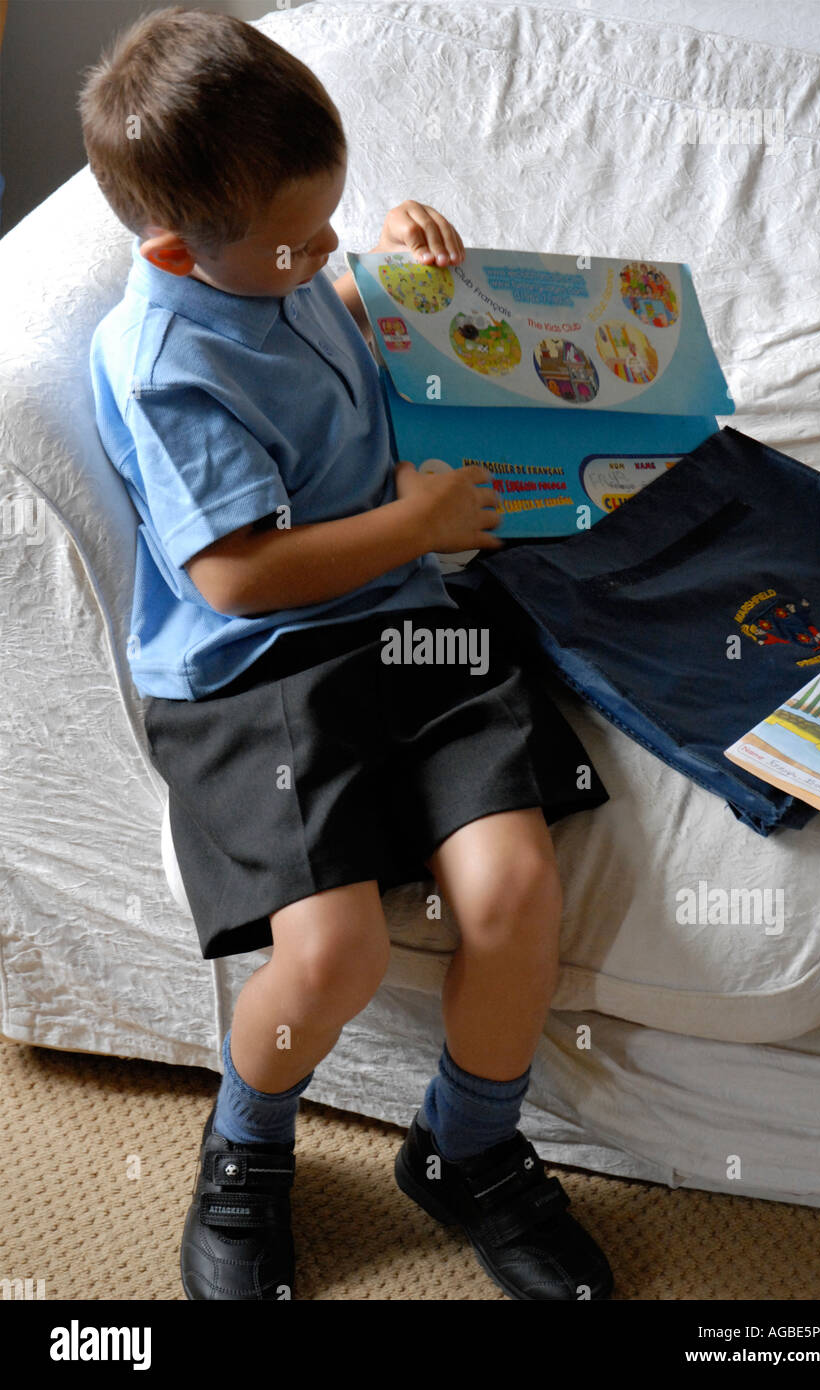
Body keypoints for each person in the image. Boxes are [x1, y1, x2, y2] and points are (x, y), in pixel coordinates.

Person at [79, 5, 613, 1302]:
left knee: (510, 893)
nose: (319, 248)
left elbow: (316, 307)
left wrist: (383, 265)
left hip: (407, 625)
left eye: (330, 219)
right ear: (173, 247)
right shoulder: (163, 360)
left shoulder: (271, 269)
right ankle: (245, 1146)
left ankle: (468, 1149)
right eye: (296, 236)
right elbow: (236, 574)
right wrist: (414, 520)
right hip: (253, 671)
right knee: (333, 953)